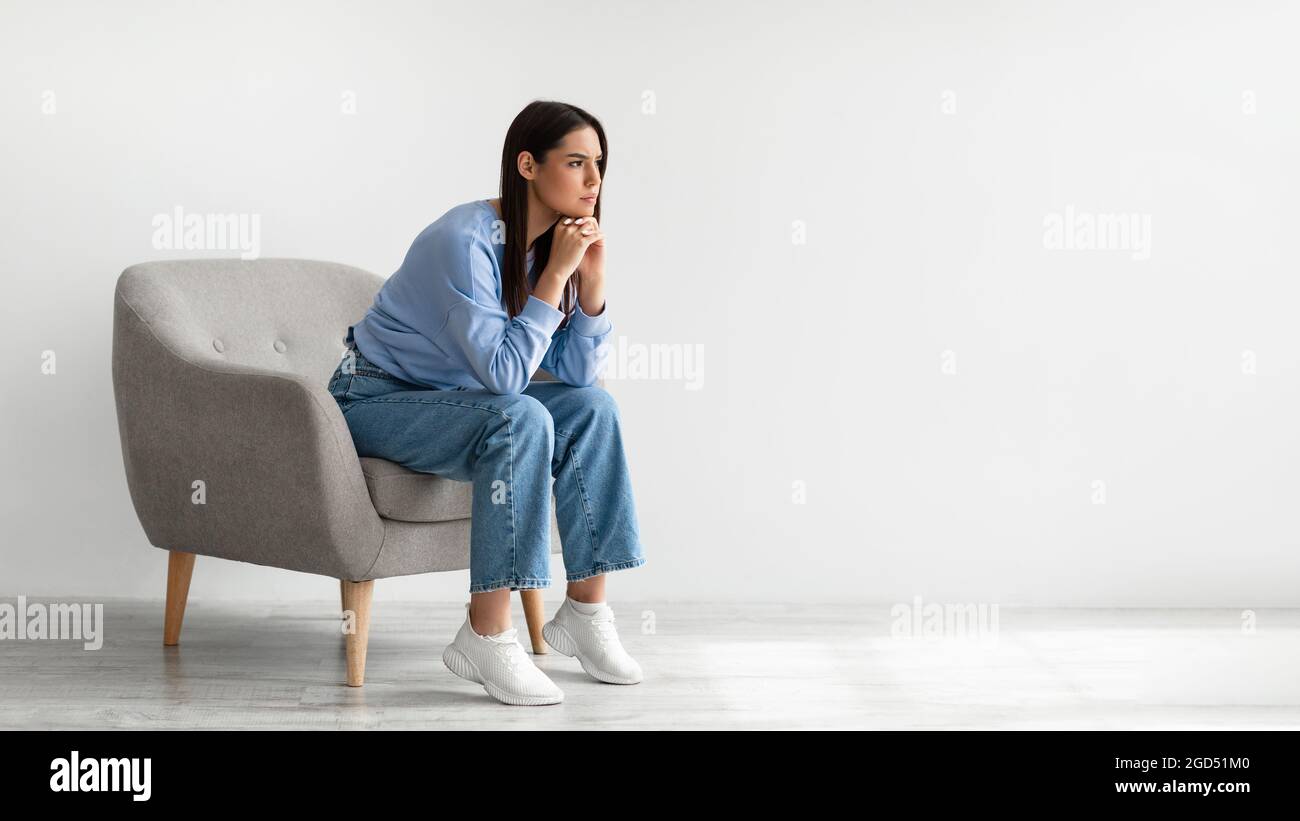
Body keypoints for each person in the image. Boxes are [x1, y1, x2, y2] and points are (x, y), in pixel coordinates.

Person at [325, 100, 646, 705]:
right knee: (520, 414)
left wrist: (592, 282)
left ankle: (584, 613)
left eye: (599, 164)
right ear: (528, 164)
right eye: (576, 163)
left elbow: (576, 375)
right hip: (372, 400)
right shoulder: (463, 240)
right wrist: (555, 277)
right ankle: (486, 634)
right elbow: (504, 377)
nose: (594, 181)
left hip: (456, 401)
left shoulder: (557, 244)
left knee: (593, 409)